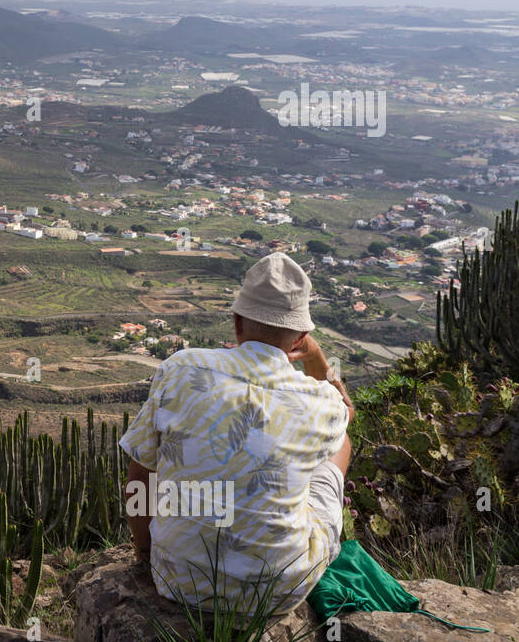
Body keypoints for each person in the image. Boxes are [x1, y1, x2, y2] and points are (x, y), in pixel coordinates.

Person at [121, 252, 354, 614]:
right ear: (300, 338)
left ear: (236, 321)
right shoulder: (321, 401)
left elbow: (140, 476)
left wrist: (146, 553)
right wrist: (316, 358)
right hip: (276, 593)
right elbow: (347, 411)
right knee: (341, 442)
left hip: (176, 580)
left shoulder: (181, 368)